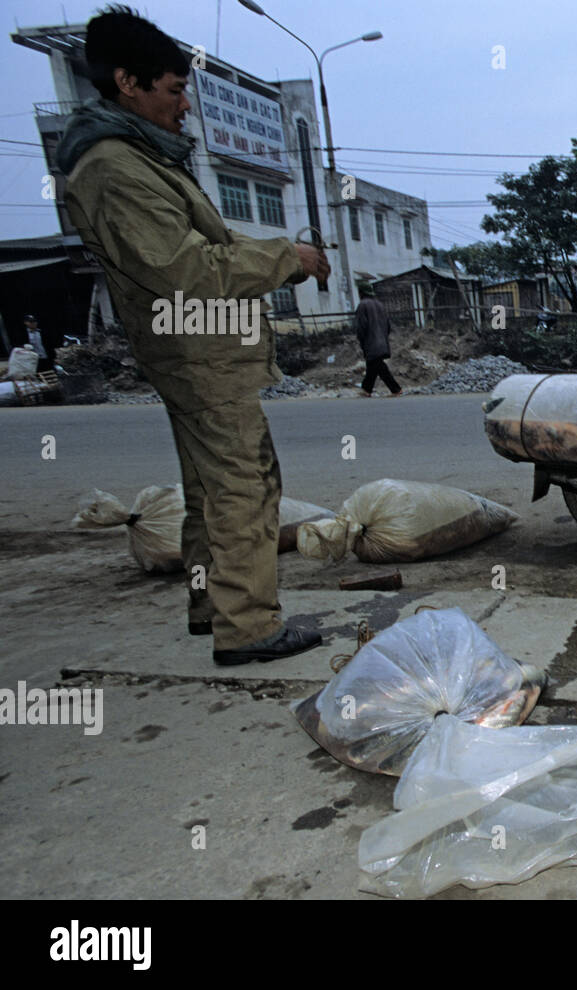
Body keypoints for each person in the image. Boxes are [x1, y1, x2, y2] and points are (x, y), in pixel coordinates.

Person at [57, 4, 331, 666]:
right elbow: (185, 269)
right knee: (243, 485)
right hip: (196, 350)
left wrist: (282, 259)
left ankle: (215, 607)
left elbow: (211, 240)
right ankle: (249, 627)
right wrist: (285, 260)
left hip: (193, 349)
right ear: (128, 82)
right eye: (175, 91)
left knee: (210, 489)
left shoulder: (143, 157)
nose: (185, 107)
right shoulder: (114, 168)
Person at [354, 282, 402, 397]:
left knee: (378, 365)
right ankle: (366, 389)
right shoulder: (380, 305)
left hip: (371, 342)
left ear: (361, 293)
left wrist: (362, 341)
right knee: (373, 365)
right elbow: (388, 325)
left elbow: (361, 327)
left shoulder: (363, 305)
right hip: (382, 341)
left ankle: (396, 389)